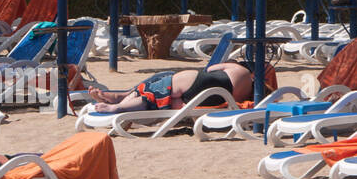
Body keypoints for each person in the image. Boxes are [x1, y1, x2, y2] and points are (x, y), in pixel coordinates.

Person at [86, 62, 254, 114]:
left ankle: (119, 100)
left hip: (199, 81)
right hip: (212, 99)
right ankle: (119, 103)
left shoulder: (241, 70)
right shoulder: (248, 93)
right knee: (155, 100)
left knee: (153, 87)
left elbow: (211, 68)